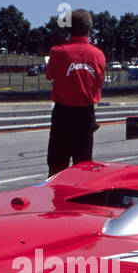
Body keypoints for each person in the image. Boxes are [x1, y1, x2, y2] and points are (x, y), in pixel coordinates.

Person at [45, 9, 105, 175]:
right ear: (89, 29)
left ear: (69, 29)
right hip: (85, 115)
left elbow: (49, 75)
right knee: (84, 168)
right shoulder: (99, 55)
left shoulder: (58, 52)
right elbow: (98, 83)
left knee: (56, 168)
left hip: (62, 114)